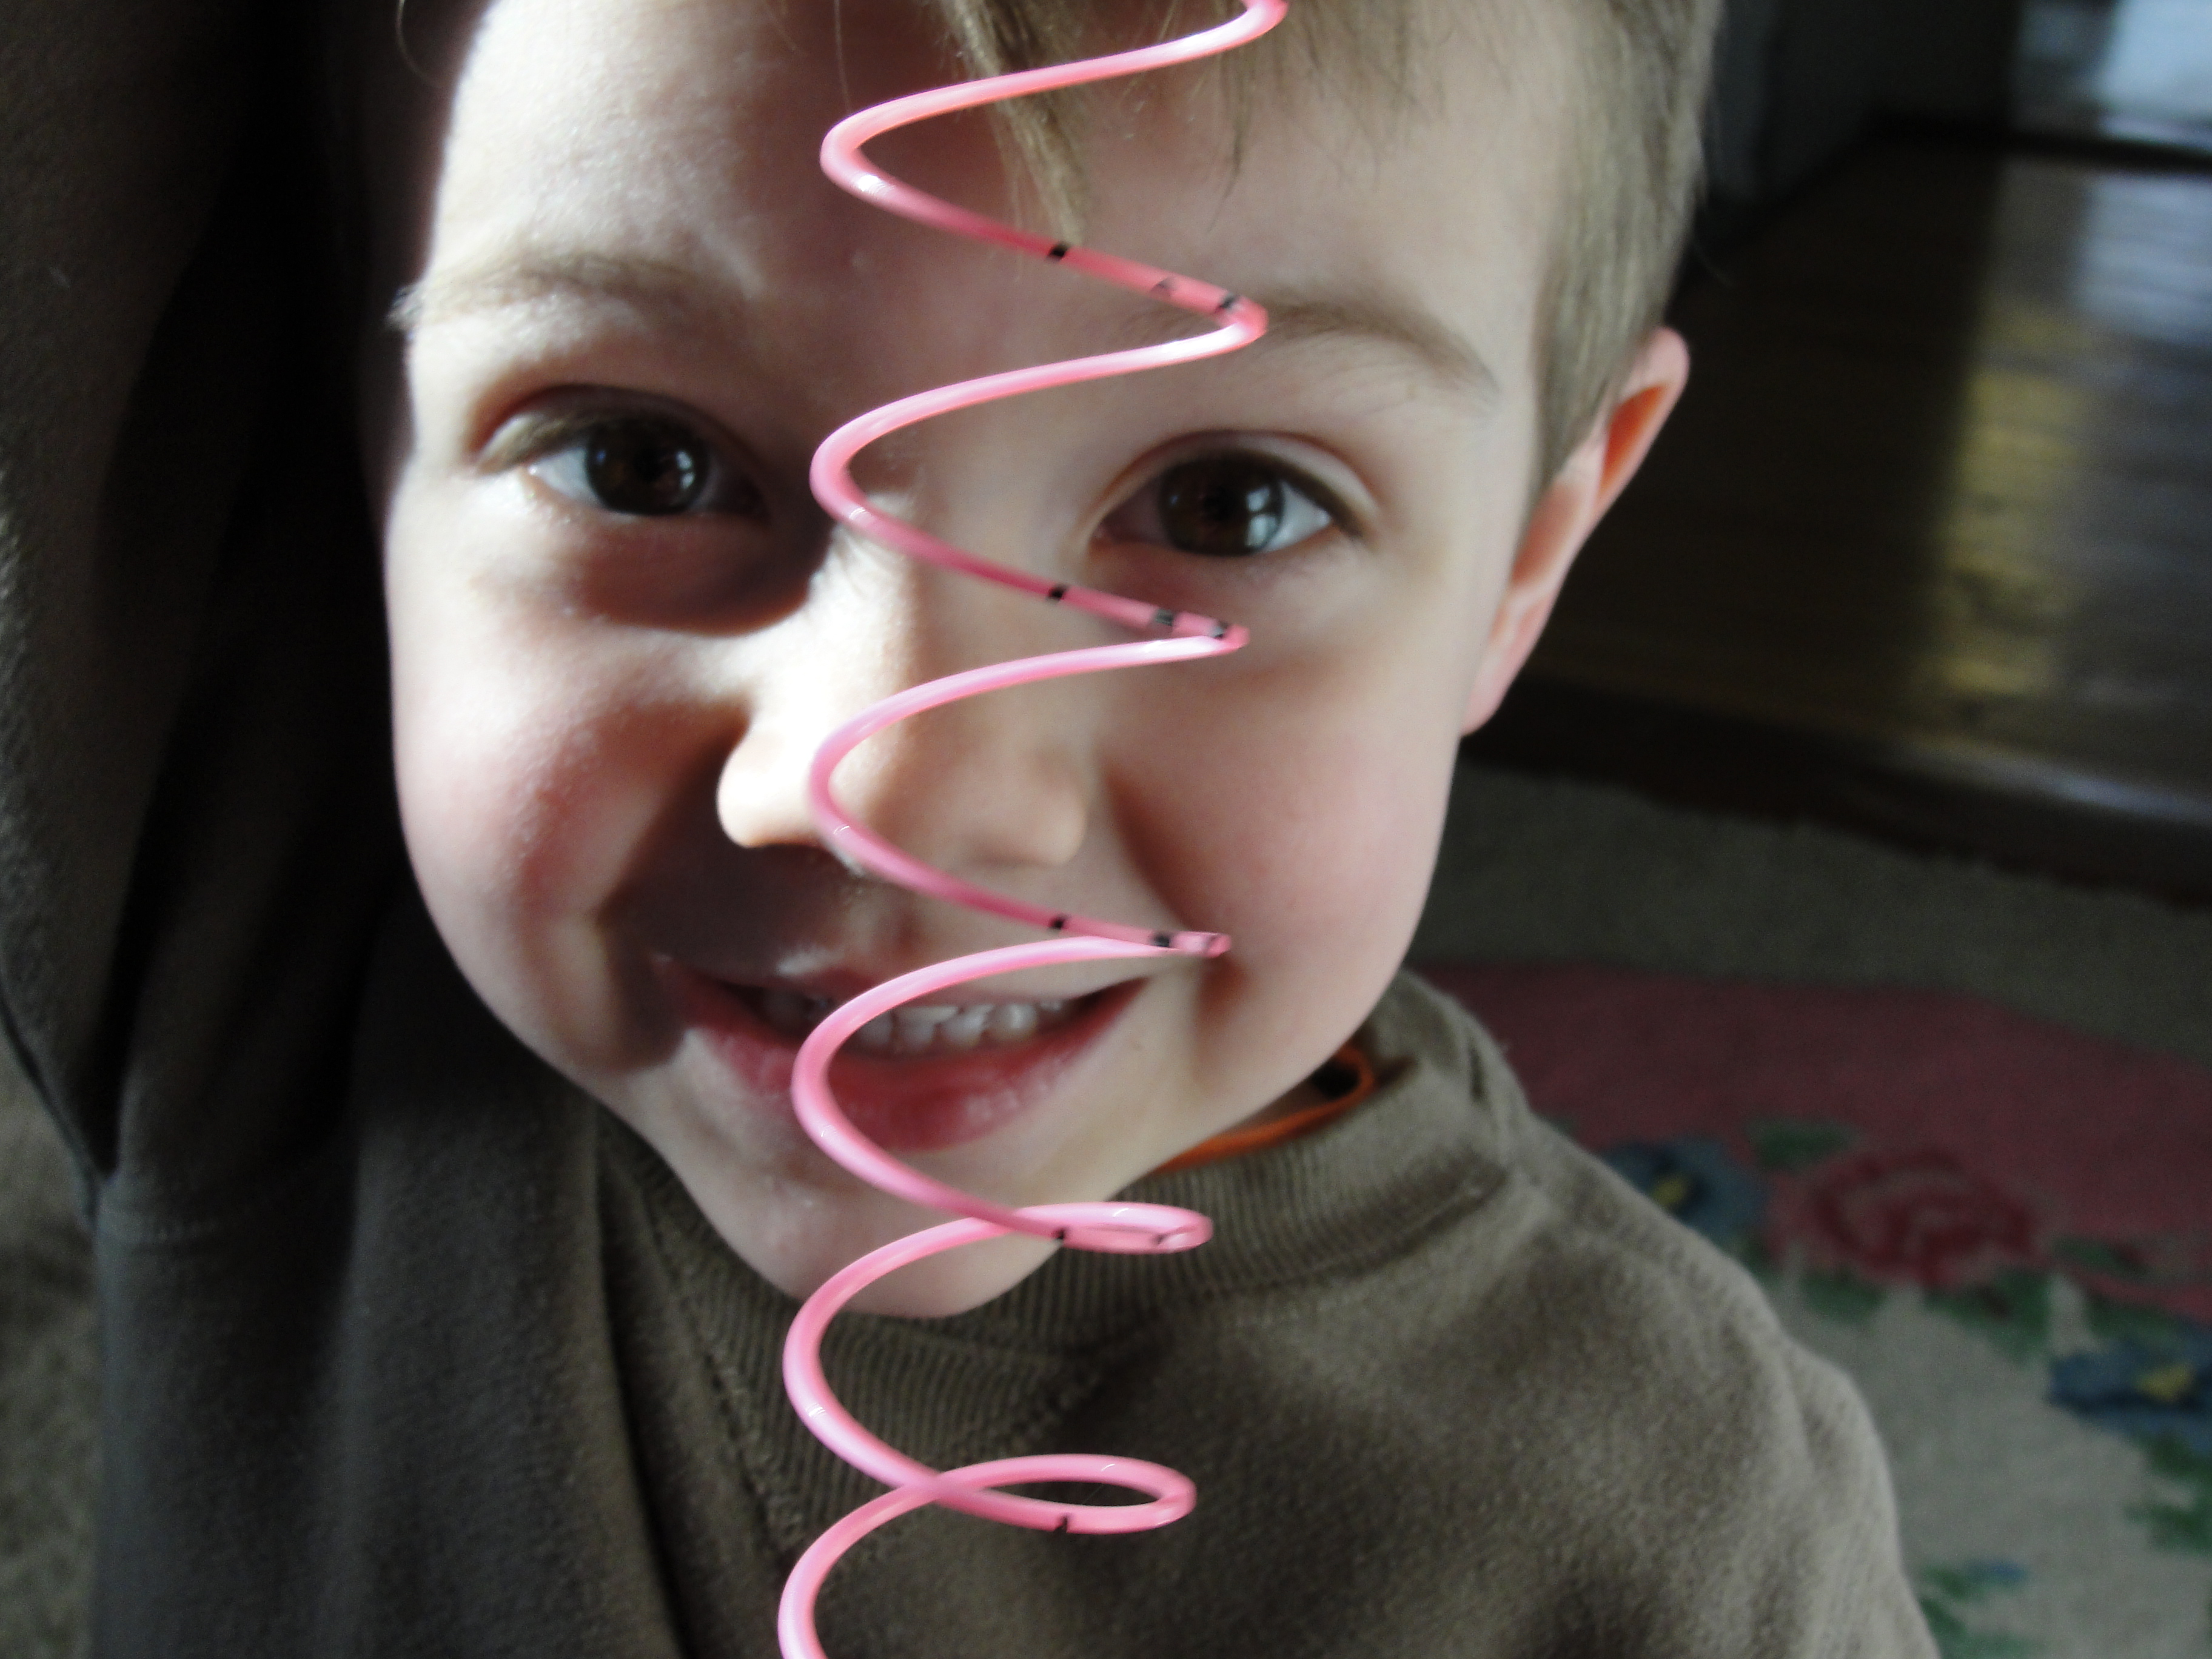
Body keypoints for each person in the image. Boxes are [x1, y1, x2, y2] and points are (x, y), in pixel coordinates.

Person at [0, 0, 1936, 1651]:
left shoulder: (1690, 1538)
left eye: (1229, 502)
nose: (902, 792)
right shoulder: (249, 928)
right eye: (644, 460)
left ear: (1527, 559)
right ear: (354, 445)